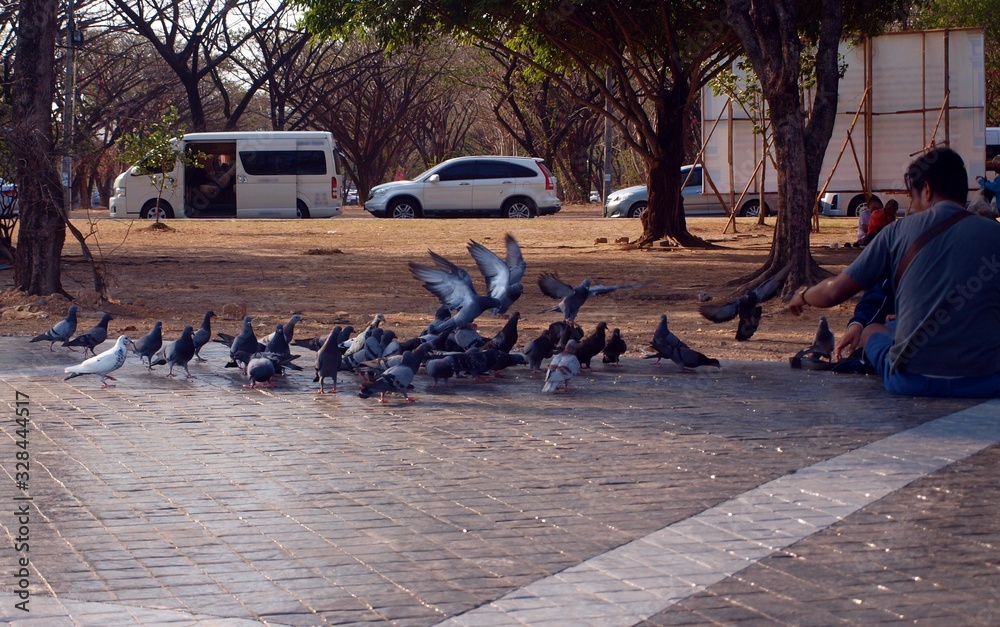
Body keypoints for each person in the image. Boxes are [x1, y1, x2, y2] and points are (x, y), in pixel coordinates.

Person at [790, 147, 1000, 398]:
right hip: (986, 381)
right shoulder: (993, 234)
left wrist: (803, 296)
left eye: (913, 197)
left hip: (910, 380)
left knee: (871, 332)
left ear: (927, 190)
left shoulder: (897, 232)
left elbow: (834, 291)